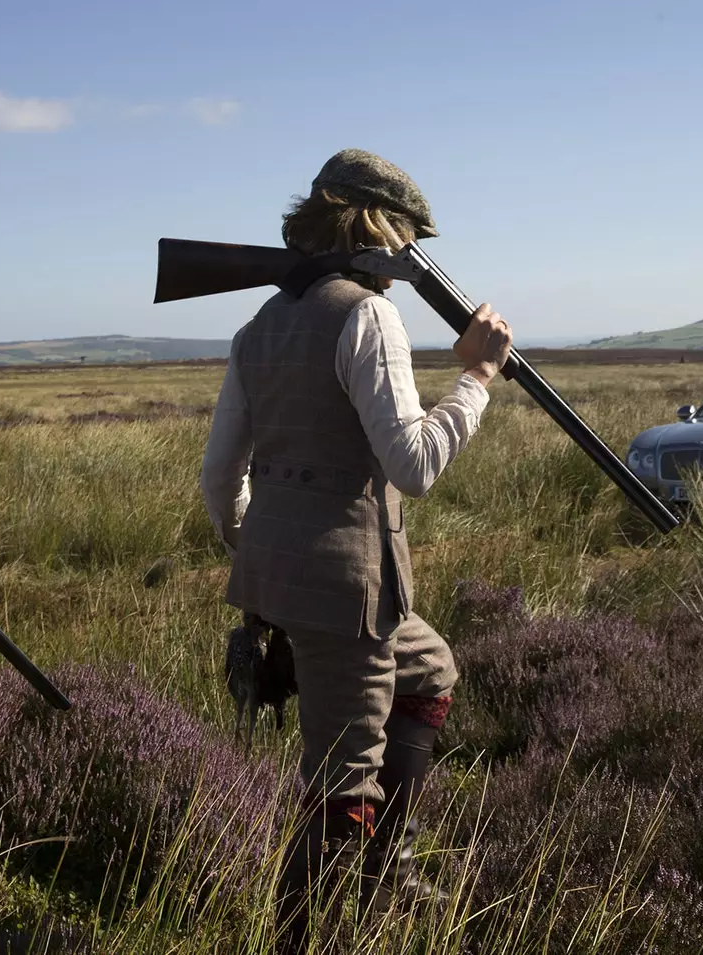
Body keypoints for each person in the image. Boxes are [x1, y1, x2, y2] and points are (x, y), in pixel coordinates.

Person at [200, 149, 513, 950]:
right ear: (377, 229)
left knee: (431, 668)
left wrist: (265, 548)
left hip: (286, 583)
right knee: (341, 784)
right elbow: (414, 463)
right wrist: (475, 377)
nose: (409, 258)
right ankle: (308, 936)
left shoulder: (257, 326)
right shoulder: (368, 316)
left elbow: (218, 481)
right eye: (406, 239)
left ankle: (387, 870)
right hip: (347, 593)